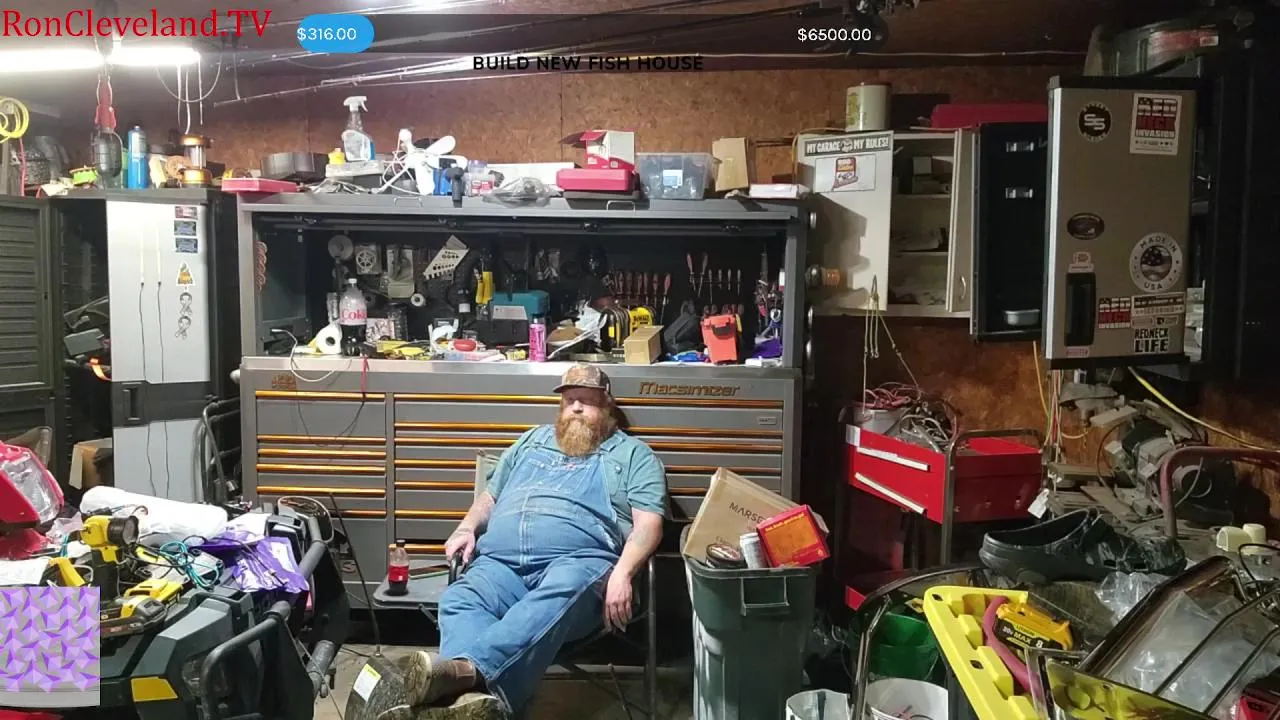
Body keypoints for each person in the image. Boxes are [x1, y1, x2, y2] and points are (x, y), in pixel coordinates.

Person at [401, 364, 667, 717]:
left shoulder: (633, 455)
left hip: (576, 566)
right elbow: (490, 496)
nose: (576, 408)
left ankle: (467, 673)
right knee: (460, 598)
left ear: (607, 406)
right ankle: (475, 703)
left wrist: (623, 572)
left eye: (587, 401)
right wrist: (466, 527)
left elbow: (649, 525)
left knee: (566, 587)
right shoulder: (531, 440)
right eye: (569, 400)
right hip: (500, 566)